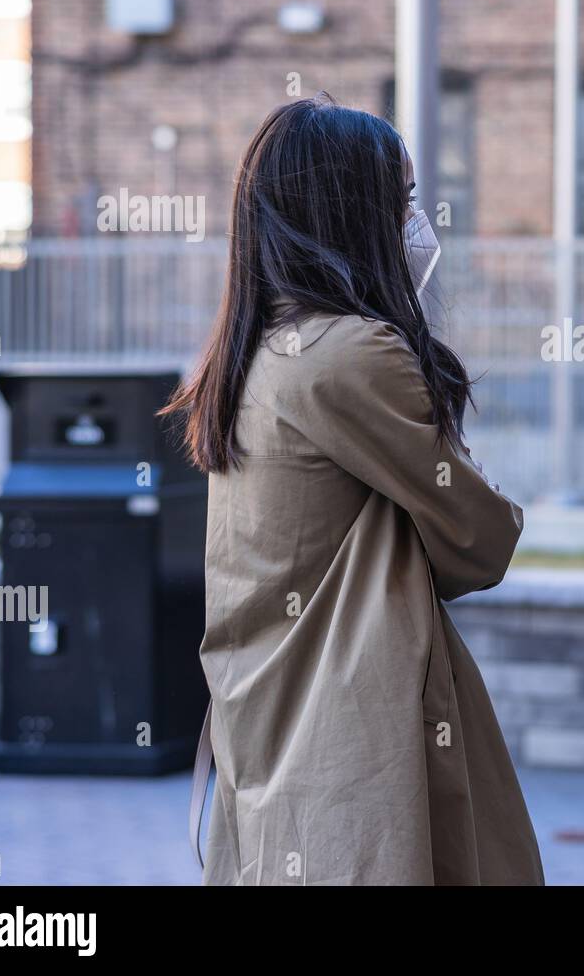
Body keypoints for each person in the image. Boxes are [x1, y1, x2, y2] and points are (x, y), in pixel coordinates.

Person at [164, 93, 543, 885]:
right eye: (401, 200)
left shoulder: (256, 351)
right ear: (352, 214)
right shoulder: (350, 354)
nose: (416, 222)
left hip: (277, 743)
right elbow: (482, 542)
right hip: (363, 746)